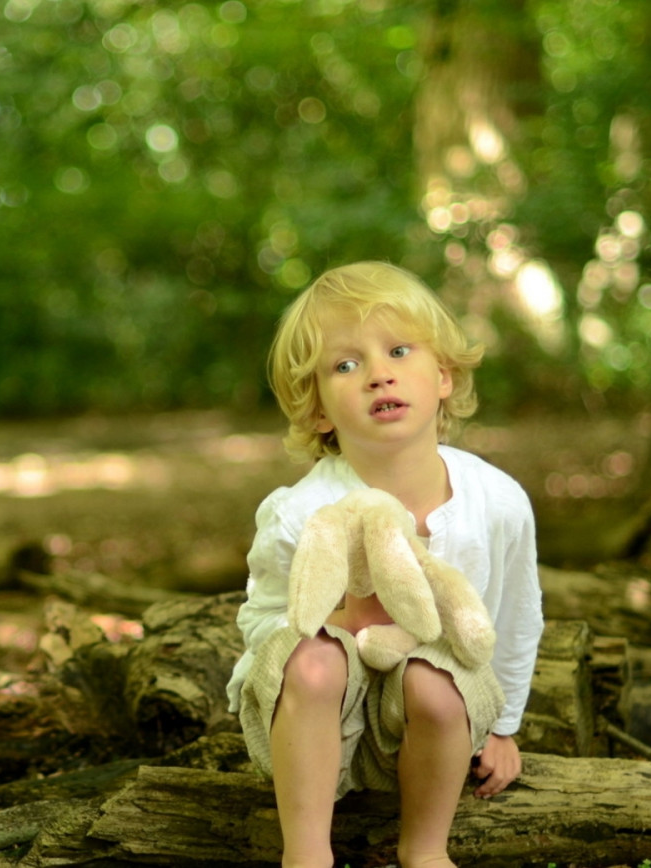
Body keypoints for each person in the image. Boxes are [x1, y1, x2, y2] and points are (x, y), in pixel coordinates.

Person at [225, 261, 543, 868]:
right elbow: (262, 625)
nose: (378, 374)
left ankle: (424, 849)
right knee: (313, 660)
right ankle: (306, 853)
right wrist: (339, 623)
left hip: (435, 719)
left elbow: (513, 616)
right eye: (346, 365)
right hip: (320, 720)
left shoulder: (498, 502)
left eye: (398, 351)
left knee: (434, 679)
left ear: (443, 375)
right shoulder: (300, 512)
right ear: (319, 410)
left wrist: (504, 726)